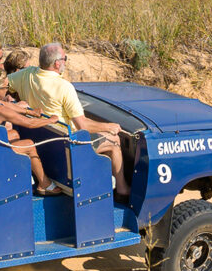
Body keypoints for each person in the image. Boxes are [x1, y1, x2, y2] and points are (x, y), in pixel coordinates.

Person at [10, 41, 129, 199]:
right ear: (57, 63)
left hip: (42, 141)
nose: (66, 62)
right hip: (66, 146)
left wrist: (15, 104)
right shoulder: (64, 87)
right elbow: (82, 125)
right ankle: (122, 190)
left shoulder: (26, 74)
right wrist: (109, 126)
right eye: (65, 59)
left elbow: (4, 85)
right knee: (113, 140)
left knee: (103, 137)